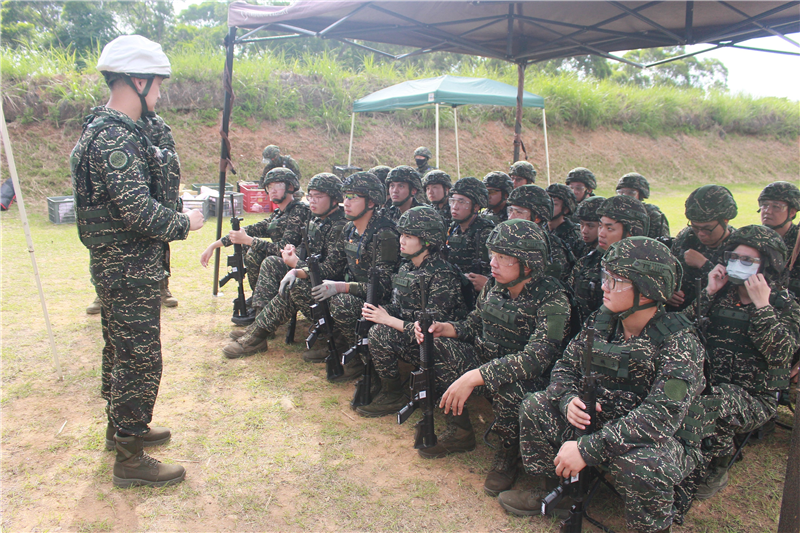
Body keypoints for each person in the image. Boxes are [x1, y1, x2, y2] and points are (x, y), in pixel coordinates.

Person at [500, 237, 705, 533]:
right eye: (605, 276)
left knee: (643, 463)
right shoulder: (603, 320)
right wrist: (567, 400)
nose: (604, 286)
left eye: (616, 281)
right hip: (605, 420)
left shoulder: (680, 343)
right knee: (535, 405)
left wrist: (588, 449)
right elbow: (565, 366)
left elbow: (660, 418)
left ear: (648, 289)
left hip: (659, 438)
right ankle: (557, 490)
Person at [72, 35, 205, 487]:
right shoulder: (114, 136)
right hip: (128, 268)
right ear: (138, 80)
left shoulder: (110, 130)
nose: (161, 95)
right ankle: (129, 457)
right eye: (159, 85)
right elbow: (138, 211)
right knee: (139, 357)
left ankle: (122, 430)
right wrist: (186, 222)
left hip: (122, 266)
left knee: (121, 350)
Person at [418, 219, 571, 497]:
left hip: (529, 380)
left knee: (510, 389)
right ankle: (460, 432)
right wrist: (444, 328)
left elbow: (535, 360)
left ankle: (507, 453)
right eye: (493, 255)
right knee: (438, 346)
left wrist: (476, 376)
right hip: (487, 360)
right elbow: (474, 324)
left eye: (502, 257)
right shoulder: (495, 286)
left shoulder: (553, 300)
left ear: (527, 264)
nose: (493, 263)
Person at [689, 225, 800, 500]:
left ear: (767, 266)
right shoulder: (721, 294)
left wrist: (762, 307)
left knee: (713, 401)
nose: (738, 264)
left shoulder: (783, 305)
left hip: (756, 396)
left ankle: (717, 468)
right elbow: (684, 330)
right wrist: (709, 292)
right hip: (709, 383)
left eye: (748, 260)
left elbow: (781, 354)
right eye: (733, 257)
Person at [355, 206, 468, 417]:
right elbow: (400, 307)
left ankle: (394, 394)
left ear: (427, 241)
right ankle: (388, 389)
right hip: (413, 336)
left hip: (438, 346)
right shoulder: (407, 267)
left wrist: (387, 319)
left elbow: (431, 329)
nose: (401, 241)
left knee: (381, 331)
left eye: (408, 236)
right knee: (370, 323)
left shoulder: (442, 274)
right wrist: (378, 312)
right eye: (402, 235)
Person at [221, 173, 349, 359]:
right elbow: (306, 249)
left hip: (330, 290)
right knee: (272, 263)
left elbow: (330, 271)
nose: (312, 201)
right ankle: (259, 328)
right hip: (312, 277)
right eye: (311, 196)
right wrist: (293, 252)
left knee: (293, 284)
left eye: (319, 196)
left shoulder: (340, 226)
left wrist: (297, 264)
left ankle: (257, 335)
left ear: (334, 199)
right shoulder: (317, 220)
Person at [85, 112, 182, 313]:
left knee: (157, 242)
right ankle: (103, 291)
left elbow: (169, 159)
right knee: (106, 240)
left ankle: (162, 286)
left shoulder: (155, 124)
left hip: (149, 193)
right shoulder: (106, 125)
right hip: (114, 196)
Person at [314, 172, 401, 382]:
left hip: (381, 303)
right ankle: (345, 350)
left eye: (353, 197)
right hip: (358, 294)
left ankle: (365, 363)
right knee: (312, 288)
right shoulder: (349, 229)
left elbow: (384, 287)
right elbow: (331, 265)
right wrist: (297, 271)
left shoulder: (384, 234)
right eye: (345, 196)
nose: (346, 203)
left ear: (371, 202)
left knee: (341, 302)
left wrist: (342, 287)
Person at [199, 167, 311, 315]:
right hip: (281, 264)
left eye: (278, 186)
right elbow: (249, 230)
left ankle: (262, 306)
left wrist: (249, 240)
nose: (272, 190)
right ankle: (259, 298)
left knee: (253, 251)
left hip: (299, 266)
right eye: (269, 187)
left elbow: (282, 249)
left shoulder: (299, 211)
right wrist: (214, 245)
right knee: (250, 249)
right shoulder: (278, 214)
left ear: (290, 187)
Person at [569, 195, 649, 326]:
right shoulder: (587, 262)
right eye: (600, 226)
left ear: (631, 232)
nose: (601, 233)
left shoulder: (647, 268)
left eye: (609, 228)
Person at [668, 185, 738, 311]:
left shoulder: (739, 247)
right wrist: (667, 291)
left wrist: (704, 265)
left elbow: (737, 292)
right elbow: (666, 270)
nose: (701, 233)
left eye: (707, 229)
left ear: (725, 221)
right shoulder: (686, 237)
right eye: (695, 227)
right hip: (679, 314)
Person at [506, 184, 575, 283]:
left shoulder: (552, 248)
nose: (510, 217)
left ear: (537, 217)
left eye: (519, 212)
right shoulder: (507, 239)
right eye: (511, 211)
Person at [445, 177, 495, 295]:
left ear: (476, 207)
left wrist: (489, 284)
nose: (455, 206)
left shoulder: (485, 232)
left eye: (461, 202)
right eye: (453, 201)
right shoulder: (453, 228)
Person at [758, 181, 800, 296]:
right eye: (764, 205)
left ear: (792, 212)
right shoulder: (756, 239)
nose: (767, 211)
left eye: (776, 207)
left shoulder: (797, 241)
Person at [616, 172, 670, 240]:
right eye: (620, 192)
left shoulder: (653, 216)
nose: (625, 196)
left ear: (641, 195)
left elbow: (663, 243)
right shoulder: (614, 213)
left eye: (631, 193)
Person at [546, 183, 585, 259]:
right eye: (547, 202)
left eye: (554, 204)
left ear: (566, 209)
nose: (548, 206)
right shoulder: (541, 230)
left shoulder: (574, 236)